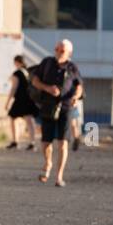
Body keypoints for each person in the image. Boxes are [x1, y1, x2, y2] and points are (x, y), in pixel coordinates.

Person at [30, 39, 82, 187]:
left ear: (69, 53)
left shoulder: (72, 68)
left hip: (65, 108)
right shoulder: (47, 62)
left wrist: (75, 97)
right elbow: (34, 80)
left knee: (63, 143)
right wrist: (47, 88)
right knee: (46, 141)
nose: (58, 52)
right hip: (47, 106)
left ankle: (59, 176)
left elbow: (79, 86)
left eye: (62, 51)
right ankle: (48, 164)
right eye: (57, 49)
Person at [6, 55, 39, 149]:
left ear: (17, 62)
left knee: (13, 118)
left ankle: (15, 141)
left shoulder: (17, 73)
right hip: (29, 99)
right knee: (29, 120)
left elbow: (14, 88)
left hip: (20, 100)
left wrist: (8, 102)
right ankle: (32, 142)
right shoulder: (28, 72)